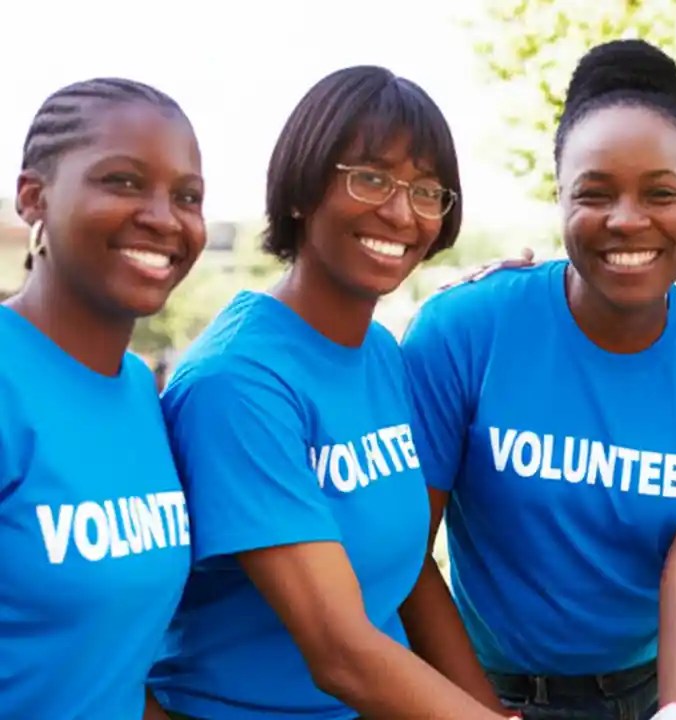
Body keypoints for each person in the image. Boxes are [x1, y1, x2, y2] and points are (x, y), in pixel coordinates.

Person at [400, 40, 676, 720]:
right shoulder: (464, 331)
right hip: (503, 694)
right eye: (595, 193)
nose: (628, 220)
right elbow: (404, 553)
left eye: (661, 193)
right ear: (559, 196)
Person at [147, 66, 515, 720]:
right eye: (370, 178)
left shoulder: (379, 354)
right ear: (301, 190)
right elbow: (340, 652)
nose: (401, 213)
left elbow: (409, 575)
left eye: (427, 190)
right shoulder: (237, 384)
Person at [0, 78, 202, 718]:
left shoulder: (140, 389)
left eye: (187, 196)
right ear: (33, 197)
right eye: (123, 181)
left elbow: (109, 670)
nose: (164, 218)